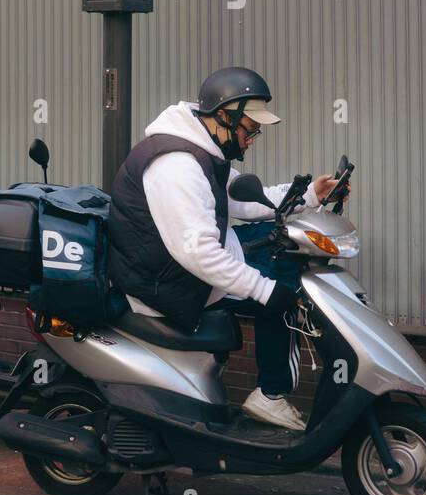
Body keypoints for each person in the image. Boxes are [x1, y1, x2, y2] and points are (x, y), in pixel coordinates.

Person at [106, 67, 341, 431]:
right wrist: (265, 291)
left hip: (176, 265)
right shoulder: (178, 165)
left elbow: (245, 202)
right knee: (284, 286)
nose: (253, 137)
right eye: (250, 128)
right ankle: (271, 393)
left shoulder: (202, 150)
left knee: (288, 254)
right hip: (166, 283)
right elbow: (197, 252)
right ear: (224, 117)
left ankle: (269, 391)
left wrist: (311, 196)